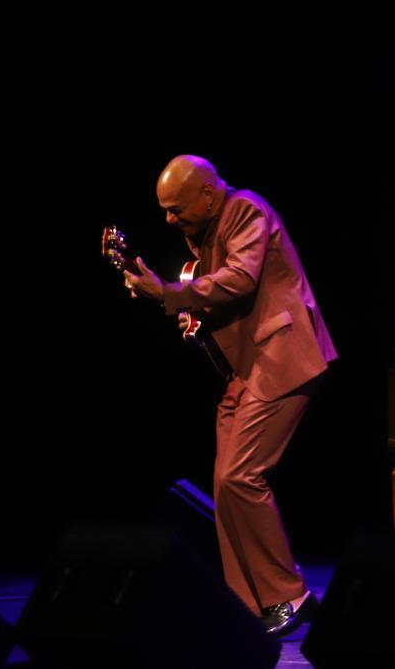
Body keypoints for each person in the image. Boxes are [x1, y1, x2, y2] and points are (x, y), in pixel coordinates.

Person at [124, 155, 337, 638]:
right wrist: (188, 314)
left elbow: (240, 278)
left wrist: (170, 295)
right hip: (246, 369)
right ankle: (244, 603)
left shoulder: (245, 209)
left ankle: (290, 595)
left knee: (242, 476)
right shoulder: (202, 233)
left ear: (207, 193)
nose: (169, 219)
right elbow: (218, 294)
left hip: (282, 357)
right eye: (164, 211)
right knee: (225, 484)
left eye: (176, 209)